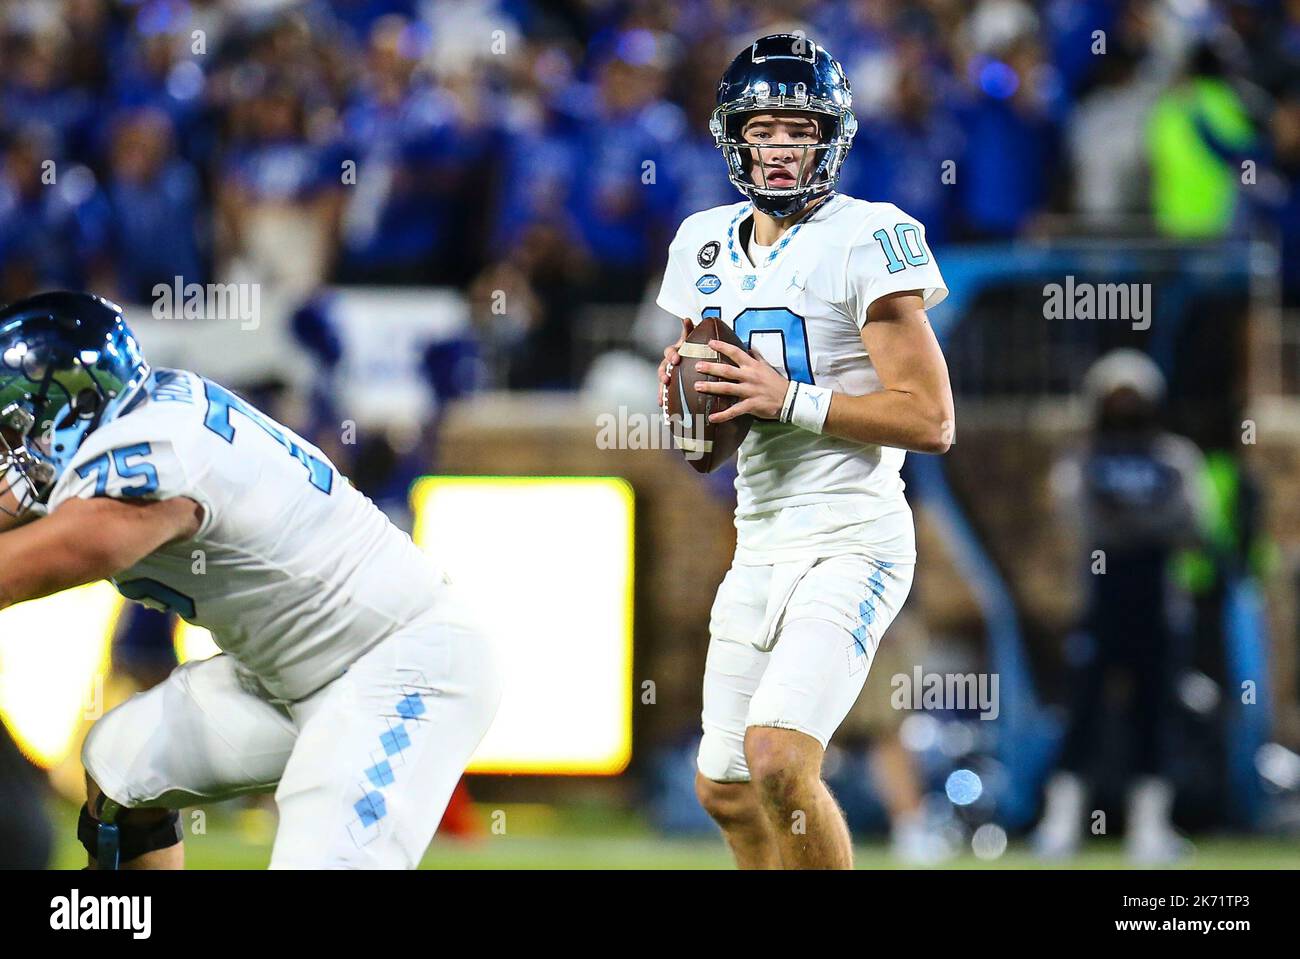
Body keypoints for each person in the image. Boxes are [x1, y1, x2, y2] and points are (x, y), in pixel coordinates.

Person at [0, 291, 502, 869]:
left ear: (75, 408)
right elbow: (29, 498)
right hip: (287, 676)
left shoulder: (152, 457)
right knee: (121, 768)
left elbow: (42, 560)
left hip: (399, 665)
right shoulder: (135, 417)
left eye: (17, 427)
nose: (12, 450)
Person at [656, 35, 954, 869]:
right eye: (764, 130)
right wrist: (693, 400)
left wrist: (787, 397)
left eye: (799, 129)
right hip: (761, 539)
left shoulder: (869, 236)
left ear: (832, 137)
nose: (781, 148)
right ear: (733, 138)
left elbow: (931, 418)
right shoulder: (702, 244)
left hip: (853, 539)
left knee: (781, 760)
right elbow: (711, 440)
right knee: (722, 785)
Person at [1034, 349, 1206, 864]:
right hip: (1100, 604)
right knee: (1082, 713)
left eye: (1135, 398)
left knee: (1157, 714)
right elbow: (1080, 518)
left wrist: (1129, 522)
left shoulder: (1173, 457)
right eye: (1117, 398)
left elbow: (1190, 521)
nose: (1125, 407)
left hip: (1157, 605)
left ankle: (1150, 830)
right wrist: (1137, 524)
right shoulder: (1083, 457)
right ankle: (1061, 826)